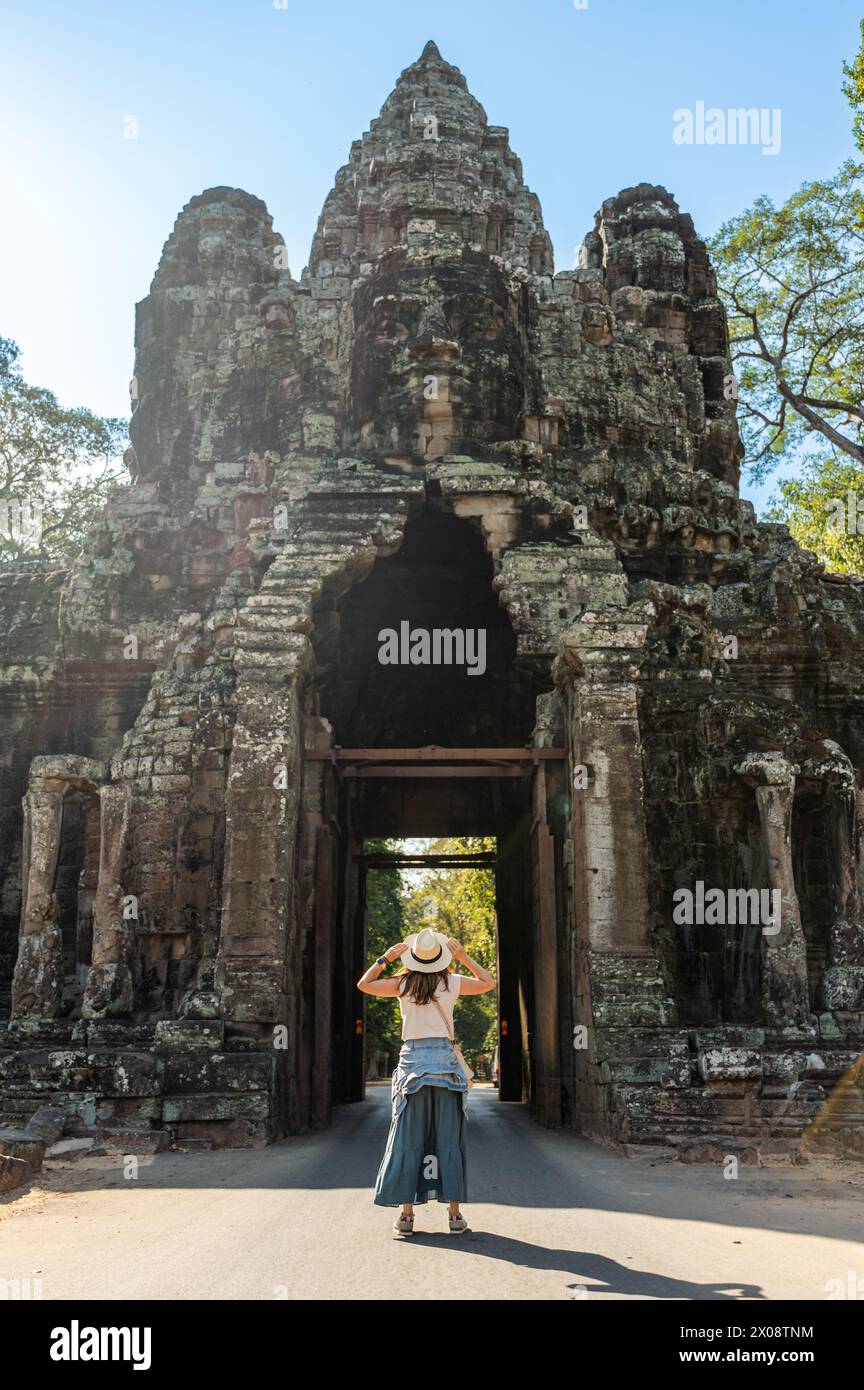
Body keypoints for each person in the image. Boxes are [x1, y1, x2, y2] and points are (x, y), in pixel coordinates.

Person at [357, 927, 496, 1235]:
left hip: (412, 1071)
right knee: (448, 1140)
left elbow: (363, 984)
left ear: (412, 957)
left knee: (408, 1139)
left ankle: (406, 1216)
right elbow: (489, 983)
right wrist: (464, 956)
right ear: (441, 959)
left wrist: (385, 958)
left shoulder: (402, 985)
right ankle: (455, 1216)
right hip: (446, 1070)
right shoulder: (452, 982)